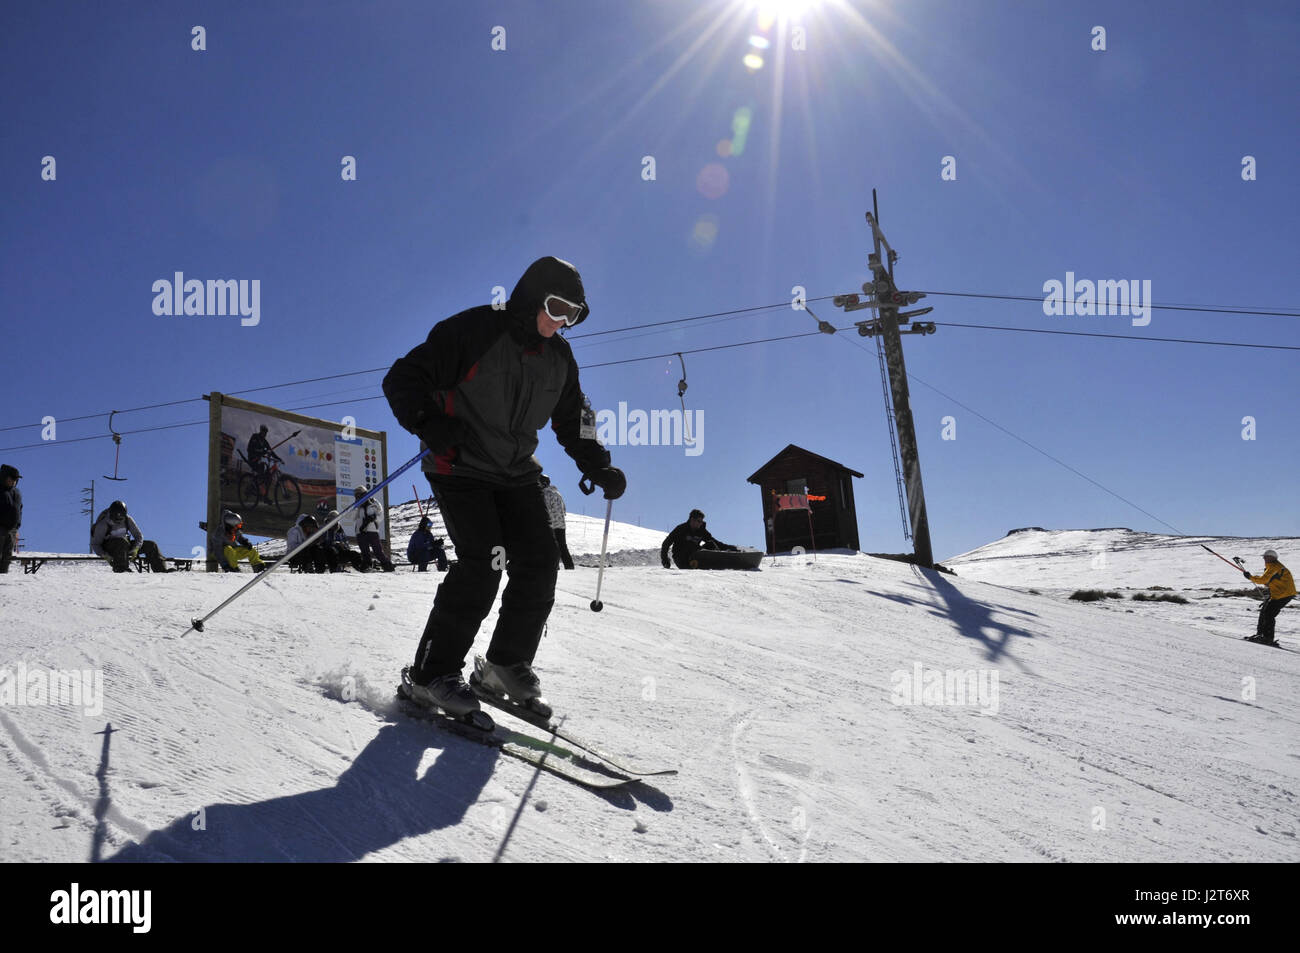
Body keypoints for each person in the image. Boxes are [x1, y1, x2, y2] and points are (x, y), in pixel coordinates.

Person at [382, 255, 624, 719]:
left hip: (515, 471)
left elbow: (574, 421)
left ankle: (504, 665)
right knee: (484, 564)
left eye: (571, 315)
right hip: (461, 466)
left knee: (539, 560)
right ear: (531, 299)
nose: (560, 322)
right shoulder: (475, 331)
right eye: (555, 308)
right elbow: (402, 379)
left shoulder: (560, 358)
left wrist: (599, 465)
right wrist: (430, 424)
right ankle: (432, 673)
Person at [91, 500, 172, 573]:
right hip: (110, 548)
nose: (119, 521)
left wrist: (136, 548)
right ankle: (121, 569)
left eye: (121, 518)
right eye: (116, 519)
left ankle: (161, 570)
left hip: (125, 545)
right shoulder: (103, 525)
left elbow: (138, 536)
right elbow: (95, 544)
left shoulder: (128, 520)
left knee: (151, 545)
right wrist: (104, 555)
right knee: (120, 542)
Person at [1243, 549, 1295, 645]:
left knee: (1269, 614)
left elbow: (1263, 580)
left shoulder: (1275, 567)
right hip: (1279, 594)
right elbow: (1268, 581)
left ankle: (1267, 638)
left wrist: (1250, 577)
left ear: (1272, 557)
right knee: (1264, 612)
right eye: (1264, 557)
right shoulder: (1272, 567)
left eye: (1266, 557)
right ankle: (1260, 635)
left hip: (1284, 595)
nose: (1264, 558)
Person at [661, 508, 737, 569]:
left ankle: (722, 562)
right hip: (681, 559)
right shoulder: (681, 529)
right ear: (692, 520)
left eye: (701, 521)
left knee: (711, 544)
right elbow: (666, 544)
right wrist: (665, 560)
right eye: (699, 521)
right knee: (690, 545)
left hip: (696, 556)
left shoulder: (701, 531)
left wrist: (729, 548)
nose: (701, 523)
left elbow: (714, 541)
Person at [353, 487, 395, 571]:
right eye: (356, 495)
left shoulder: (373, 502)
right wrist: (356, 507)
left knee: (377, 551)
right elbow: (352, 517)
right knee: (364, 551)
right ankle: (367, 566)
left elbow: (380, 514)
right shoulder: (357, 505)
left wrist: (374, 518)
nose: (357, 496)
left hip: (372, 530)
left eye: (359, 494)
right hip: (360, 531)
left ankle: (387, 566)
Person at [540, 475, 574, 570]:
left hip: (551, 524)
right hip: (561, 524)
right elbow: (564, 509)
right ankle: (569, 566)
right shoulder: (558, 494)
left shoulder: (545, 493)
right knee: (562, 546)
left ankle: (554, 566)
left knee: (550, 546)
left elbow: (545, 508)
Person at [0, 464, 21, 574]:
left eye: (16, 479)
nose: (14, 481)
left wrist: (17, 528)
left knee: (7, 557)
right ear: (4, 477)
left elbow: (19, 510)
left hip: (12, 530)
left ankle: (3, 578)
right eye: (12, 478)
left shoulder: (17, 492)